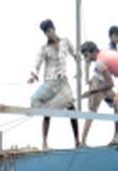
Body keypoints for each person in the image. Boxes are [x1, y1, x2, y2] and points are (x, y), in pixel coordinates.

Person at [28, 19, 80, 150]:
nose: (48, 34)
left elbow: (75, 55)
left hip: (62, 81)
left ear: (53, 29)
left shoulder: (65, 42)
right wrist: (33, 75)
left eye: (49, 31)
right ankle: (44, 142)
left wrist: (80, 70)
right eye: (45, 32)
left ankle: (77, 141)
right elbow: (37, 63)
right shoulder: (44, 48)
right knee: (46, 110)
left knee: (71, 106)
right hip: (50, 82)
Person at [80, 41, 118, 145]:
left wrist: (91, 91)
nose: (86, 59)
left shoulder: (100, 63)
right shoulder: (104, 51)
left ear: (92, 52)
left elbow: (110, 84)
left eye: (86, 56)